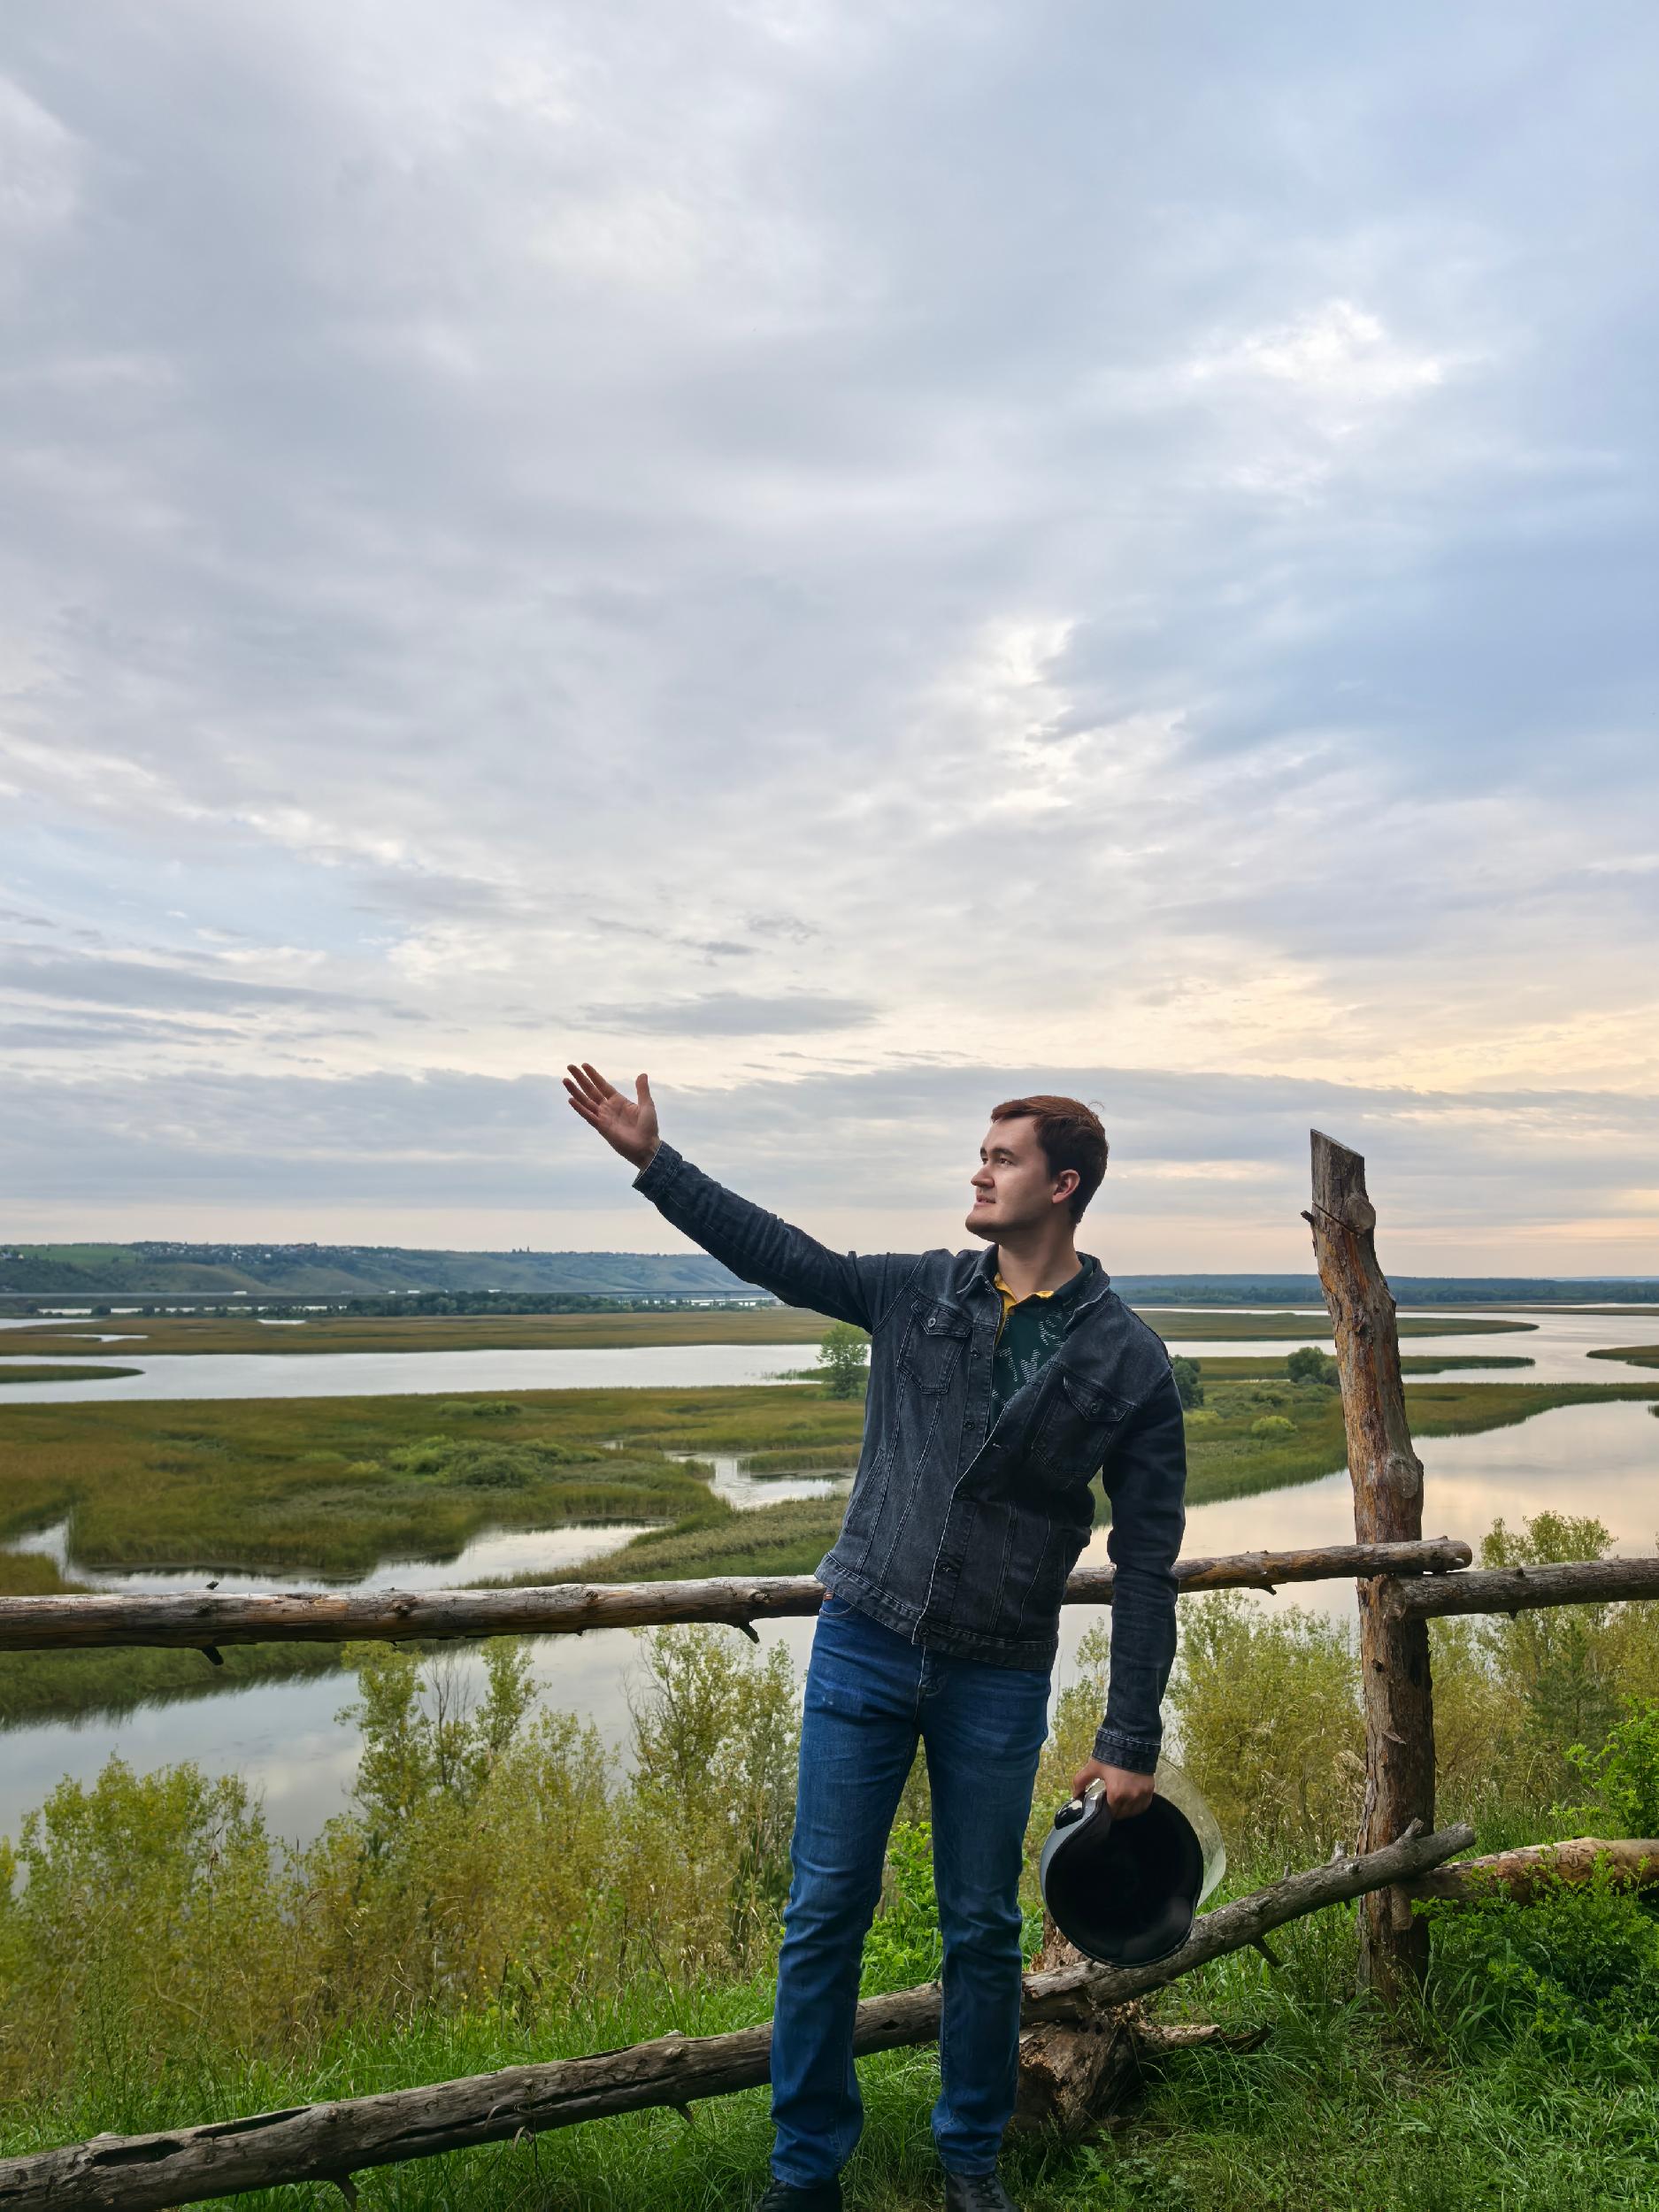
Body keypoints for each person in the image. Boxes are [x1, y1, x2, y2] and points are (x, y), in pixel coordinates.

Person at [563, 1064, 1187, 2212]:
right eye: (981, 1154)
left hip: (998, 1674)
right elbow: (784, 1256)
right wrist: (656, 1164)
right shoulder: (919, 1292)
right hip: (864, 1640)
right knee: (823, 1916)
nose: (977, 1171)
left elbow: (1147, 1561)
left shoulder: (1127, 1360)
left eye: (999, 1158)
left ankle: (970, 2163)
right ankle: (805, 2176)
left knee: (982, 1927)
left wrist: (1129, 1733)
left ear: (1063, 1184)